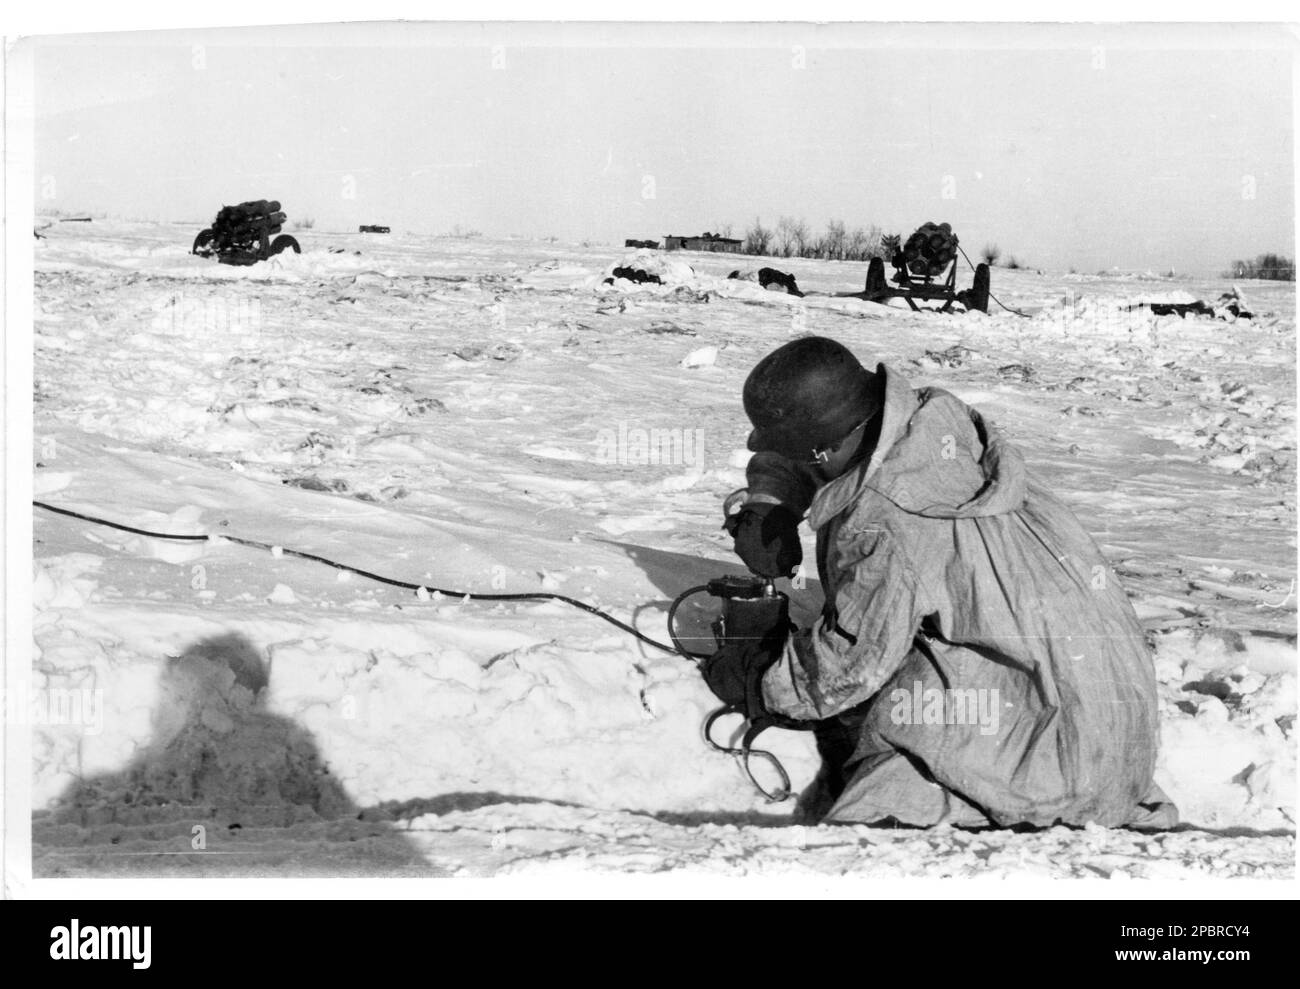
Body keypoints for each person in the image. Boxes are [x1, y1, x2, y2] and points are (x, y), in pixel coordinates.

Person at [703, 336, 1178, 830]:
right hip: (1113, 728)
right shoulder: (926, 426)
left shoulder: (884, 523)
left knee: (860, 845)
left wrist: (762, 685)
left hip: (1044, 754)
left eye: (801, 455)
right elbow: (822, 453)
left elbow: (849, 667)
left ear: (822, 449)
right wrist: (770, 500)